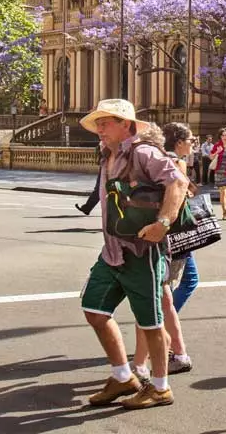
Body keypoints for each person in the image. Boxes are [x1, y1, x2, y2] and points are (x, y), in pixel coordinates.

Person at [77, 99, 187, 411]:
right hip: (111, 252)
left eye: (107, 122)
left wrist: (163, 224)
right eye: (98, 122)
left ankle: (161, 387)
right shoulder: (108, 154)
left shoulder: (143, 152)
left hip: (141, 254)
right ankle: (123, 376)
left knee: (151, 323)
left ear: (126, 124)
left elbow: (178, 182)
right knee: (94, 310)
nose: (100, 128)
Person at [128, 122, 198, 377]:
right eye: (191, 140)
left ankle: (147, 360)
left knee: (155, 298)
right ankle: (172, 351)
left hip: (167, 240)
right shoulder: (172, 163)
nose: (193, 144)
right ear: (178, 142)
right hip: (172, 240)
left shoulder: (168, 163)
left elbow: (178, 196)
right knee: (163, 295)